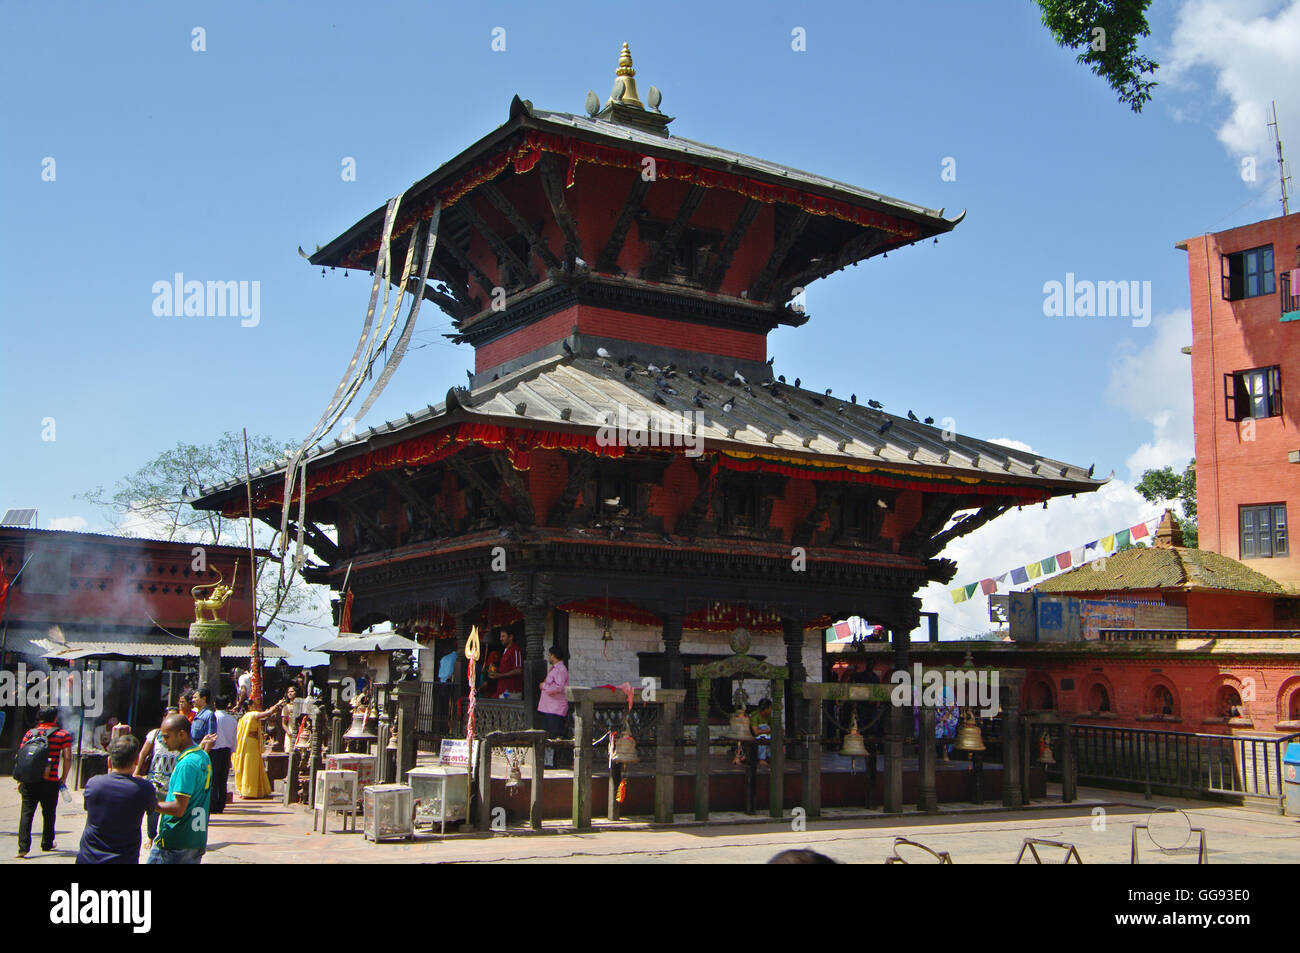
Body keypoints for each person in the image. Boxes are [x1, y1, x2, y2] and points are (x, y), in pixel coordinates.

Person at [76, 735, 156, 864]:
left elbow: (88, 807)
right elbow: (152, 809)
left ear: (109, 761)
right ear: (136, 760)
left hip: (88, 858)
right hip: (123, 859)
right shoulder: (144, 788)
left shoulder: (93, 783)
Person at [148, 713, 212, 864]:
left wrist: (150, 805)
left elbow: (178, 808)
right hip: (195, 839)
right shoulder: (202, 756)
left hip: (176, 841)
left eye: (166, 737)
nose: (163, 741)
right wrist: (153, 793)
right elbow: (185, 796)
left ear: (182, 734)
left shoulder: (186, 764)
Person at [14, 706, 73, 858]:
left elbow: (21, 757)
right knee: (49, 813)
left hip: (29, 781)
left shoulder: (30, 733)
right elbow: (67, 758)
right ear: (55, 718)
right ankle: (47, 843)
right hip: (50, 781)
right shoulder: (63, 734)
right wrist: (63, 777)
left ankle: (23, 848)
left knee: (26, 813)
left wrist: (21, 779)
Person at [135, 708, 182, 845]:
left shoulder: (180, 737)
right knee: (153, 808)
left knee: (170, 807)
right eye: (169, 717)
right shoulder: (154, 734)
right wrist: (137, 771)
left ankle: (166, 836)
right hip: (155, 778)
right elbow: (143, 753)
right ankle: (151, 836)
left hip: (172, 779)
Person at [233, 699, 285, 798]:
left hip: (249, 744)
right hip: (251, 744)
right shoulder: (251, 715)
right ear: (249, 707)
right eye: (254, 705)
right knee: (250, 766)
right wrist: (277, 704)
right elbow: (268, 713)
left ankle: (249, 790)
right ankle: (248, 791)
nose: (255, 707)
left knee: (250, 766)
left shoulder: (244, 717)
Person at [537, 646, 569, 766]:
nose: (549, 657)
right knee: (547, 735)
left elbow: (559, 687)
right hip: (549, 707)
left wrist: (544, 686)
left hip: (555, 708)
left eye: (549, 655)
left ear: (553, 655)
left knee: (552, 736)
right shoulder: (555, 669)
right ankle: (548, 761)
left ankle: (551, 762)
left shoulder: (560, 669)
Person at [208, 696, 239, 813]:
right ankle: (221, 804)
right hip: (226, 751)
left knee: (213, 779)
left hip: (214, 750)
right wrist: (232, 751)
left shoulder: (213, 717)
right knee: (222, 779)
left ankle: (213, 805)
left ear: (215, 704)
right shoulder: (232, 720)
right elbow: (234, 738)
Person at [493, 630, 523, 699]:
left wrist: (501, 675)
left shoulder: (515, 650)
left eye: (503, 636)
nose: (501, 639)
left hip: (511, 692)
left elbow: (519, 670)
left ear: (511, 637)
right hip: (502, 691)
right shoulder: (505, 650)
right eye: (500, 636)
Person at [750, 698, 773, 768]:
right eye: (770, 708)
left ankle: (770, 756)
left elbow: (773, 727)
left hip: (767, 734)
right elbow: (755, 732)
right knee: (763, 738)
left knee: (772, 737)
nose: (771, 710)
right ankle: (761, 758)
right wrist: (767, 731)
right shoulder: (755, 716)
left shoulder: (768, 716)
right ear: (765, 709)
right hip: (756, 736)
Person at [279, 686, 298, 752]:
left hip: (300, 731)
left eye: (292, 691)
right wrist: (289, 732)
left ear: (296, 693)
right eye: (288, 692)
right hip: (290, 731)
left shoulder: (301, 706)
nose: (290, 693)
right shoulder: (286, 707)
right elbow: (283, 723)